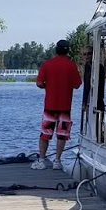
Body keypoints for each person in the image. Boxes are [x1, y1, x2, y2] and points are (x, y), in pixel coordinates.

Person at [33, 40, 82, 169]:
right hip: (65, 107)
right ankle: (57, 161)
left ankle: (42, 160)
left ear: (56, 50)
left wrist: (47, 86)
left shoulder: (47, 64)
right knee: (62, 135)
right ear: (67, 51)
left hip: (50, 106)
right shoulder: (71, 66)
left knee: (45, 134)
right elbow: (77, 84)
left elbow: (38, 83)